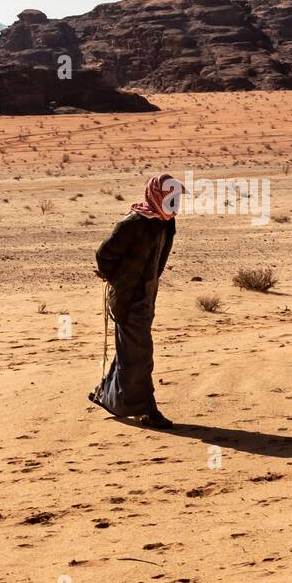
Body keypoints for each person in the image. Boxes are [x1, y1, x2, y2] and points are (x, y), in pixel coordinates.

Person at [90, 173, 184, 429]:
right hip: (129, 299)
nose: (176, 202)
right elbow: (104, 255)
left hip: (146, 295)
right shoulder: (132, 224)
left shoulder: (166, 223)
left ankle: (108, 396)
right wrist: (115, 277)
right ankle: (146, 410)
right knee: (140, 355)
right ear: (158, 196)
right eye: (171, 196)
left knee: (131, 352)